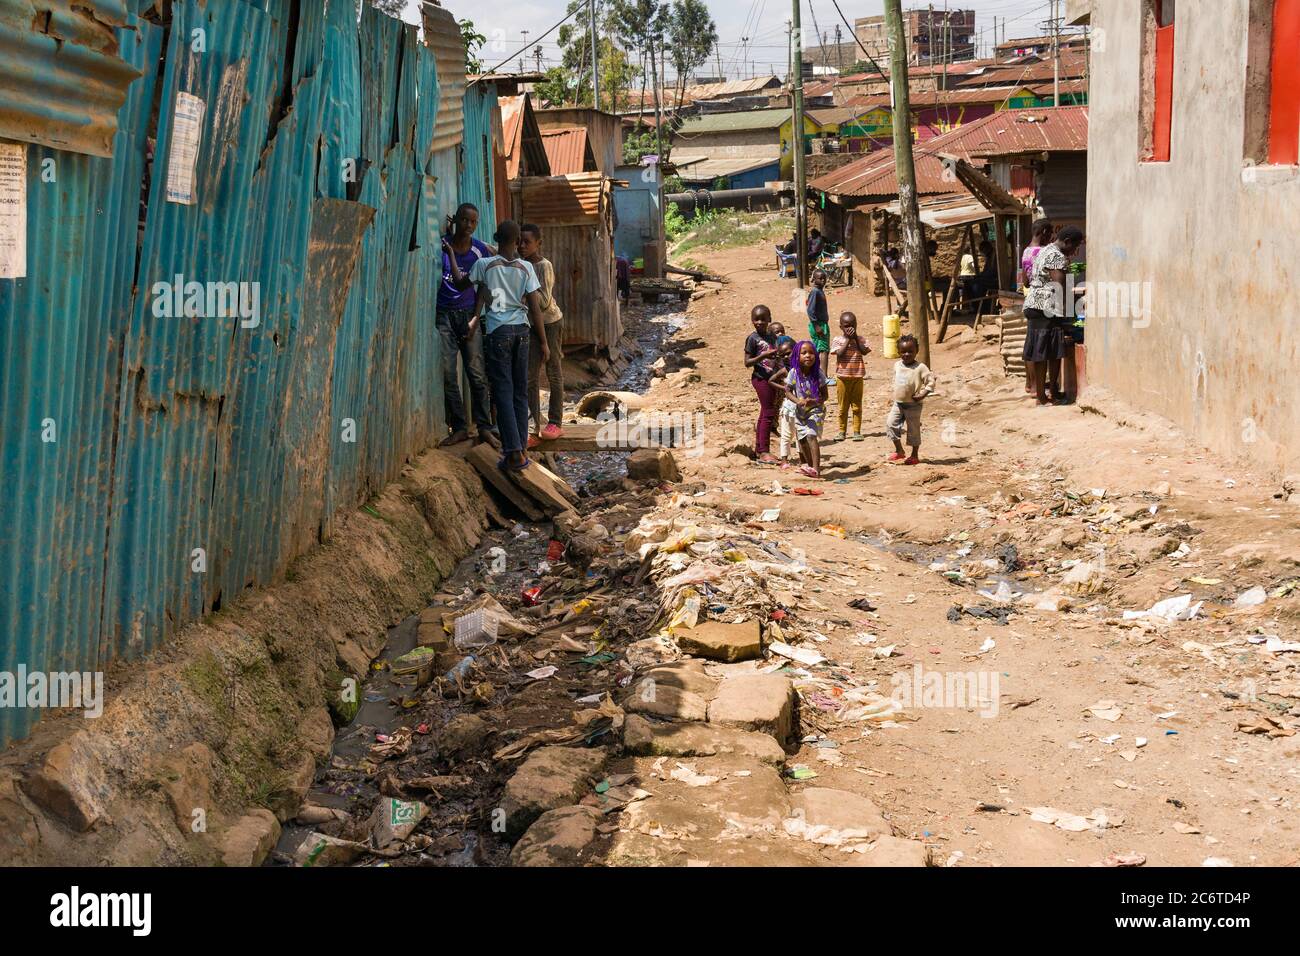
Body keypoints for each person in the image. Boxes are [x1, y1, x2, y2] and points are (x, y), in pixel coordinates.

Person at [469, 220, 546, 472]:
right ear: (516, 242)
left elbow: (477, 290)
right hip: (522, 332)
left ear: (495, 238)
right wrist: (543, 342)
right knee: (519, 391)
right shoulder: (526, 268)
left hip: (498, 332)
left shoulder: (484, 264)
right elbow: (535, 307)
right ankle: (522, 448)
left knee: (502, 390)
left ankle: (513, 453)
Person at [438, 203, 497, 446]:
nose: (468, 226)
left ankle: (484, 426)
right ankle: (460, 426)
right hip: (444, 315)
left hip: (468, 314)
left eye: (473, 222)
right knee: (449, 373)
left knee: (476, 373)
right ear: (457, 220)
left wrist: (475, 317)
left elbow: (484, 285)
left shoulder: (479, 250)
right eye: (464, 220)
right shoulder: (442, 246)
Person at [1022, 225, 1084, 406]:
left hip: (1037, 305)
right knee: (1043, 353)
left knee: (1052, 350)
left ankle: (1053, 392)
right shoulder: (1056, 256)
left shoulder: (1046, 249)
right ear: (1067, 242)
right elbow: (1058, 284)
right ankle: (1042, 396)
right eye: (1074, 247)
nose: (1075, 251)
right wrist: (1072, 305)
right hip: (1044, 308)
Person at [520, 223, 565, 445]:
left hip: (550, 324)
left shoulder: (543, 266)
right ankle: (533, 426)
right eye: (519, 241)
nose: (522, 246)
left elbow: (545, 301)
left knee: (553, 371)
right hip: (531, 325)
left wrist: (526, 292)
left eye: (527, 242)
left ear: (539, 243)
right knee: (530, 376)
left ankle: (555, 422)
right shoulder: (520, 263)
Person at [771, 340, 827, 479]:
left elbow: (825, 396)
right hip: (800, 411)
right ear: (797, 356)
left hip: (815, 410)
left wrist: (812, 401)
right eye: (804, 353)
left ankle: (817, 469)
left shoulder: (818, 374)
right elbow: (787, 391)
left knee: (811, 436)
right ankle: (809, 466)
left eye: (811, 353)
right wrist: (798, 401)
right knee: (802, 440)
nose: (808, 356)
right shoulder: (793, 373)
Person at [1017, 219, 1054, 394]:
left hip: (1029, 300)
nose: (1051, 236)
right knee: (1041, 347)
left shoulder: (1026, 251)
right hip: (1043, 302)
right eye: (1050, 232)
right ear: (1044, 231)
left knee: (1031, 344)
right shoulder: (1045, 252)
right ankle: (1038, 388)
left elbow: (1024, 281)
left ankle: (1030, 384)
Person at [886, 334, 935, 465]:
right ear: (898, 352)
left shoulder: (920, 367)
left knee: (913, 430)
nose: (906, 354)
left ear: (916, 351)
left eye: (910, 351)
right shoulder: (897, 365)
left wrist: (923, 394)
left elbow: (930, 382)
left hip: (913, 404)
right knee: (891, 424)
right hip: (898, 403)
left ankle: (914, 455)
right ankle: (899, 450)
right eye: (903, 352)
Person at [743, 305, 780, 464]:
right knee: (769, 413)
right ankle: (764, 452)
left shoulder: (772, 336)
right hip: (760, 378)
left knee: (764, 413)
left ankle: (759, 448)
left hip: (772, 377)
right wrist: (763, 355)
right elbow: (747, 362)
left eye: (763, 319)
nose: (759, 322)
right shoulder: (752, 339)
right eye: (756, 319)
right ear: (752, 320)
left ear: (769, 319)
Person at [830, 312, 871, 441]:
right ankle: (842, 431)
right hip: (842, 378)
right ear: (841, 327)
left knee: (857, 406)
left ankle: (857, 431)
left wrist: (856, 340)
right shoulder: (838, 340)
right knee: (843, 406)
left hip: (857, 377)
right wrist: (848, 339)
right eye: (847, 326)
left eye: (853, 325)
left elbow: (864, 351)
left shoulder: (861, 340)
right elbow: (839, 354)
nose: (850, 328)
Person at [806, 270, 832, 382]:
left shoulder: (819, 291)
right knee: (823, 350)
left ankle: (818, 375)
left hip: (821, 324)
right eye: (820, 278)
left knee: (820, 349)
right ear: (814, 279)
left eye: (824, 278)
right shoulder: (815, 292)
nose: (822, 280)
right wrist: (816, 325)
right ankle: (823, 377)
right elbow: (810, 310)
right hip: (818, 324)